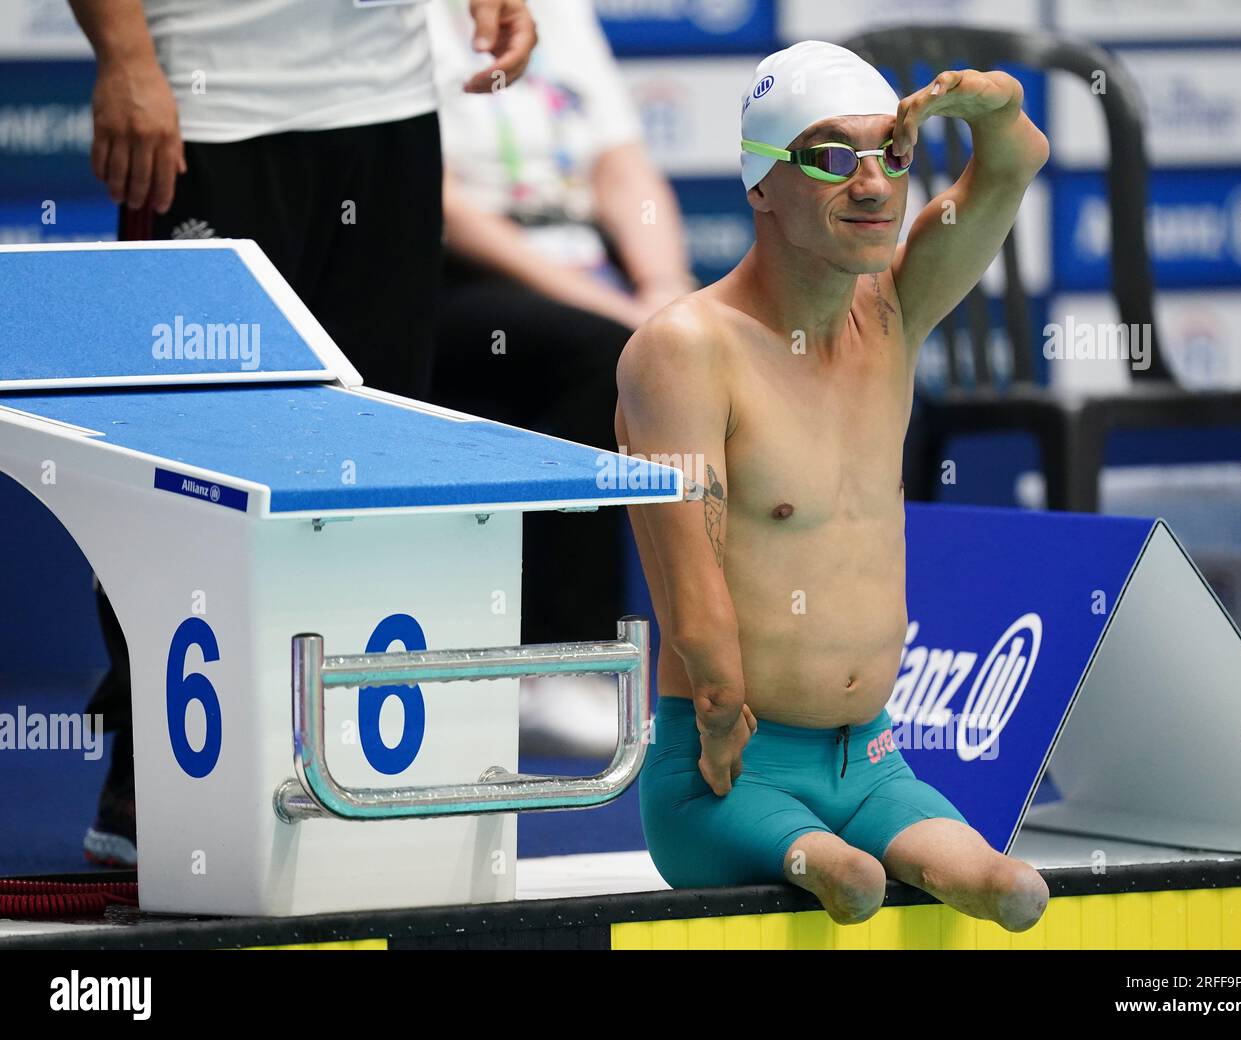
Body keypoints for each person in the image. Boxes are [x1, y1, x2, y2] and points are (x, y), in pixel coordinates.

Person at [68, 0, 537, 867]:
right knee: (188, 465)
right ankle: (156, 775)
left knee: (377, 451)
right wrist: (126, 54)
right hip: (213, 101)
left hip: (388, 108)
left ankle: (345, 764)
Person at [619, 41, 1052, 928]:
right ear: (759, 185)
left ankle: (849, 847)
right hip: (724, 769)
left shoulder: (893, 313)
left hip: (873, 759)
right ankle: (811, 852)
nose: (873, 185)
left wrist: (993, 104)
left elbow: (1011, 167)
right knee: (850, 882)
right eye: (829, 158)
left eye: (890, 155)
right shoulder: (686, 350)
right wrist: (716, 707)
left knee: (1014, 892)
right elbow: (686, 581)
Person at [427, 0, 694, 755]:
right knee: (599, 353)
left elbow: (622, 164)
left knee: (744, 346)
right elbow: (433, 201)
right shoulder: (394, 19)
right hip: (457, 275)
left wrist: (665, 284)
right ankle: (560, 666)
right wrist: (615, 307)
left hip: (592, 264)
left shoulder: (562, 12)